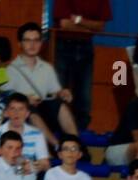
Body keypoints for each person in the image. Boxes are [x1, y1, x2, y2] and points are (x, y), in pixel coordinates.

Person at [3, 22, 78, 148]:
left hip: (44, 111)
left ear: (41, 43)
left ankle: (76, 144)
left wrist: (62, 93)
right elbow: (6, 97)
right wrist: (25, 99)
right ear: (19, 44)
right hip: (23, 116)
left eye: (36, 40)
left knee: (60, 105)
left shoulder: (47, 68)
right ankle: (57, 146)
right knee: (28, 110)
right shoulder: (10, 69)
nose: (32, 45)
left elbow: (55, 92)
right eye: (27, 40)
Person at [53, 0, 111, 132]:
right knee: (60, 93)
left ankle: (79, 136)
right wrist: (89, 27)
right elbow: (65, 24)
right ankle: (60, 135)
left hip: (86, 46)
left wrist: (78, 20)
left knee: (84, 98)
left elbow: (101, 27)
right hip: (63, 44)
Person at [0, 93, 48, 167]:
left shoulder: (37, 134)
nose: (16, 113)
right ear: (6, 113)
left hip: (27, 176)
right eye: (12, 108)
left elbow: (45, 163)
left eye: (21, 109)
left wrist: (32, 167)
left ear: (27, 114)